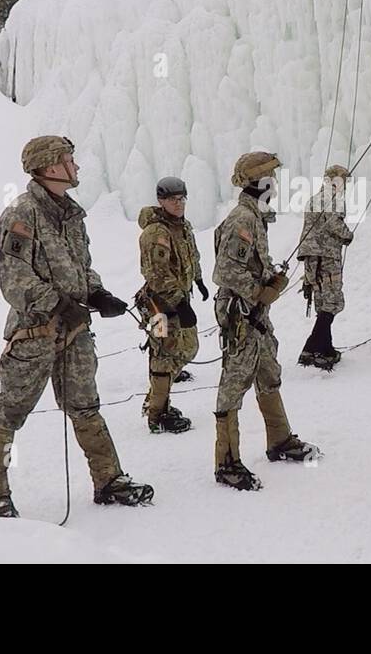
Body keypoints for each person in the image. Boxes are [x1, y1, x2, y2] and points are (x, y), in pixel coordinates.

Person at [0, 136, 152, 517]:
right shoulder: (21, 215)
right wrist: (58, 305)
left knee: (85, 406)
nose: (77, 166)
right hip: (34, 334)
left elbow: (78, 268)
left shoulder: (70, 214)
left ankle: (109, 480)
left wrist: (98, 293)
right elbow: (15, 281)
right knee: (8, 415)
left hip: (75, 333)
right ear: (51, 167)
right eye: (70, 160)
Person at [212, 151, 321, 490]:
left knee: (268, 375)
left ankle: (279, 440)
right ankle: (226, 463)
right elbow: (226, 271)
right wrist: (261, 292)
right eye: (271, 179)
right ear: (259, 182)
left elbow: (250, 265)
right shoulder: (242, 220)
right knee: (233, 387)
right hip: (242, 316)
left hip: (256, 317)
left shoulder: (255, 217)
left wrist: (269, 277)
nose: (275, 185)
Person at [134, 175, 206, 434]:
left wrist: (198, 280)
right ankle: (157, 415)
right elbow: (156, 274)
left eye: (181, 198)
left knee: (186, 348)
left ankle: (156, 399)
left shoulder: (181, 226)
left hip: (178, 298)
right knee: (164, 356)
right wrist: (178, 302)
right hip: (160, 306)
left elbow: (191, 255)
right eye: (173, 199)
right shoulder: (156, 232)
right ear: (161, 201)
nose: (179, 203)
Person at [296, 164, 353, 370]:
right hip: (327, 256)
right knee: (332, 302)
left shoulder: (315, 198)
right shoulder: (334, 198)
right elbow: (333, 224)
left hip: (312, 259)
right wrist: (348, 235)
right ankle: (315, 349)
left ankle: (322, 348)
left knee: (323, 301)